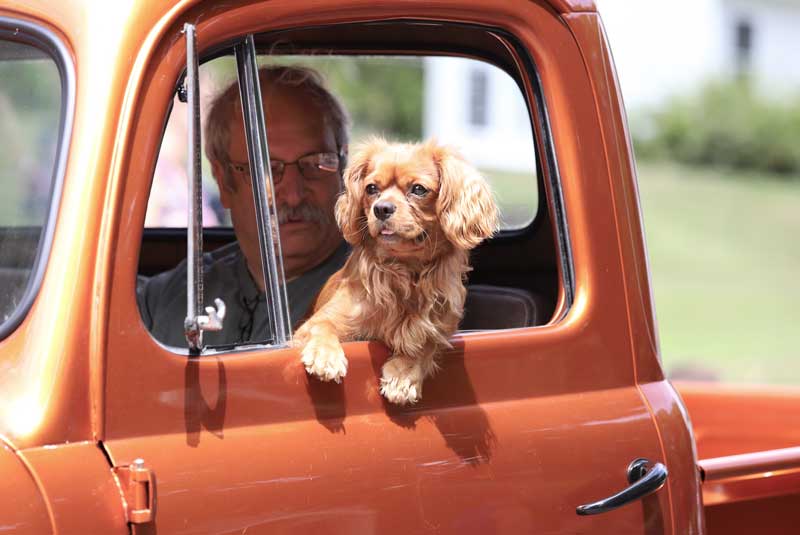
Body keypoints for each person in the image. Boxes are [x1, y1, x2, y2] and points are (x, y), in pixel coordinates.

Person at [138, 65, 350, 348]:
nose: (294, 194)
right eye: (266, 169)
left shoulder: (382, 297)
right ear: (224, 182)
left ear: (344, 170)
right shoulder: (172, 298)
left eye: (314, 163)